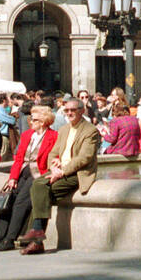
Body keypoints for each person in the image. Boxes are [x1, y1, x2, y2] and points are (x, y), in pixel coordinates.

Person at [18, 98, 101, 255]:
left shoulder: (90, 130)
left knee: (40, 191)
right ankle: (36, 236)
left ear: (82, 111)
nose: (69, 113)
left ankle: (36, 237)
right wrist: (53, 167)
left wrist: (63, 171)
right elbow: (53, 153)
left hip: (77, 173)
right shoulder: (63, 129)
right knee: (38, 187)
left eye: (73, 110)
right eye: (66, 110)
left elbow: (84, 158)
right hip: (58, 171)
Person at [0, 105, 57, 252]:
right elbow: (18, 159)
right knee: (8, 198)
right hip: (23, 171)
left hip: (37, 174)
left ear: (44, 121)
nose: (31, 121)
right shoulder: (27, 135)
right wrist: (12, 178)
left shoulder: (53, 136)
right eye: (31, 118)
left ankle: (10, 239)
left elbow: (54, 157)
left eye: (34, 119)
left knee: (20, 203)